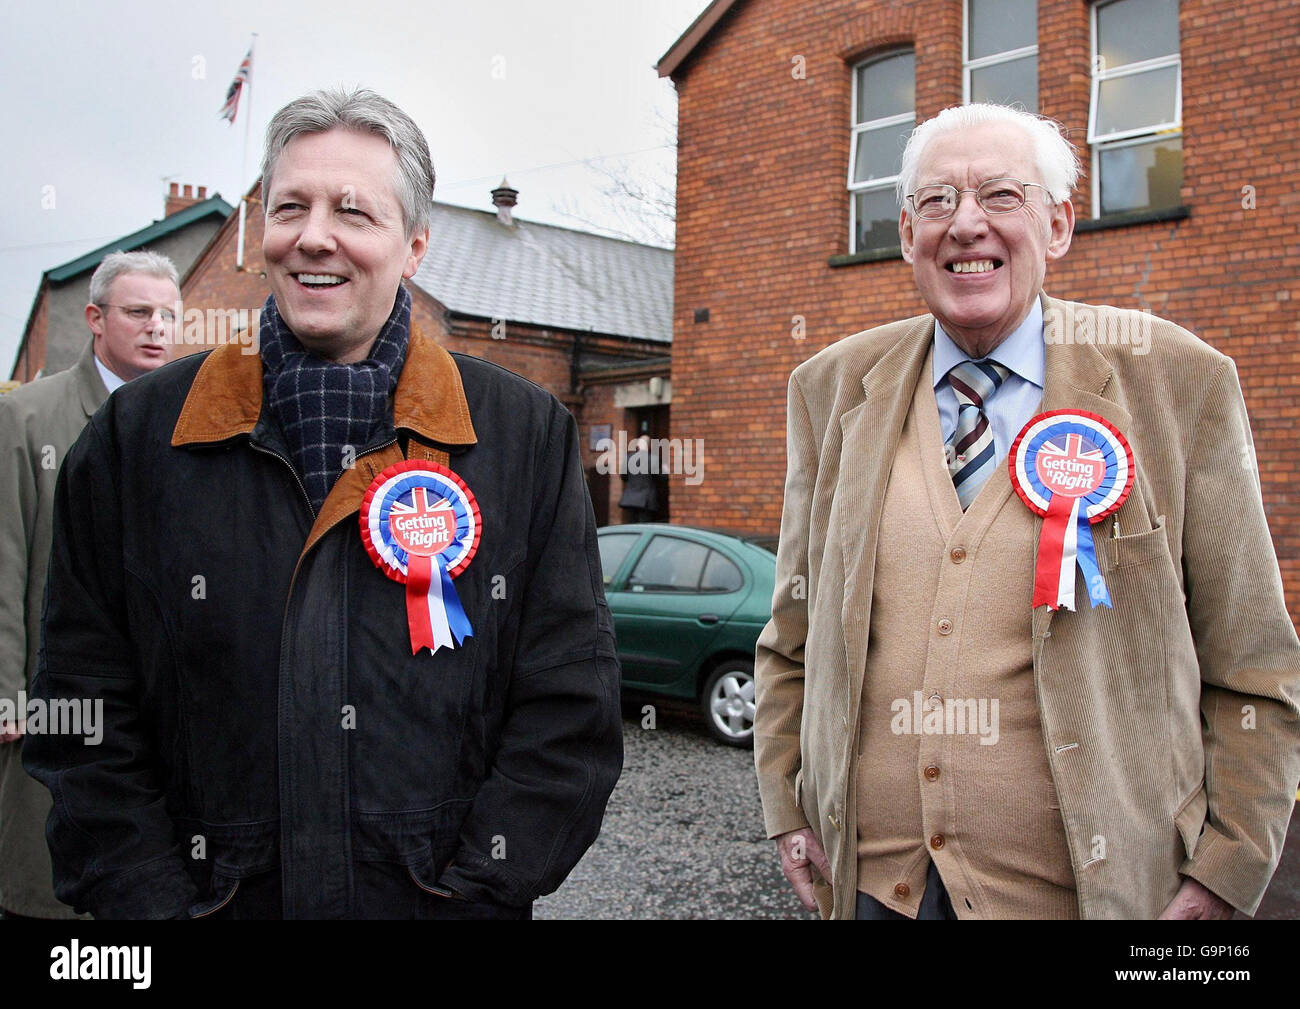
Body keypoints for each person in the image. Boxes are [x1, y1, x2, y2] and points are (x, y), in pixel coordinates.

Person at [24, 88, 622, 919]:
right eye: (290, 206)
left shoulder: (523, 436)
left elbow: (568, 713)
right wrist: (152, 906)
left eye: (353, 211)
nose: (314, 235)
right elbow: (82, 705)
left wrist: (475, 895)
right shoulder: (134, 438)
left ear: (413, 246)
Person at [754, 103, 1300, 920]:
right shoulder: (831, 387)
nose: (965, 225)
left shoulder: (1178, 379)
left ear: (1057, 226)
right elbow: (790, 634)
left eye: (1001, 196)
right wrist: (787, 807)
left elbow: (1255, 659)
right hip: (874, 891)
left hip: (1098, 898)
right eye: (937, 202)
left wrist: (1228, 866)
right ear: (906, 235)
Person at [0, 250, 178, 919]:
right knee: (47, 885)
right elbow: (5, 556)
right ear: (95, 319)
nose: (157, 327)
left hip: (155, 700)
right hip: (54, 698)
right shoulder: (28, 419)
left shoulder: (190, 422)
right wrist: (6, 693)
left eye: (168, 314)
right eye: (139, 312)